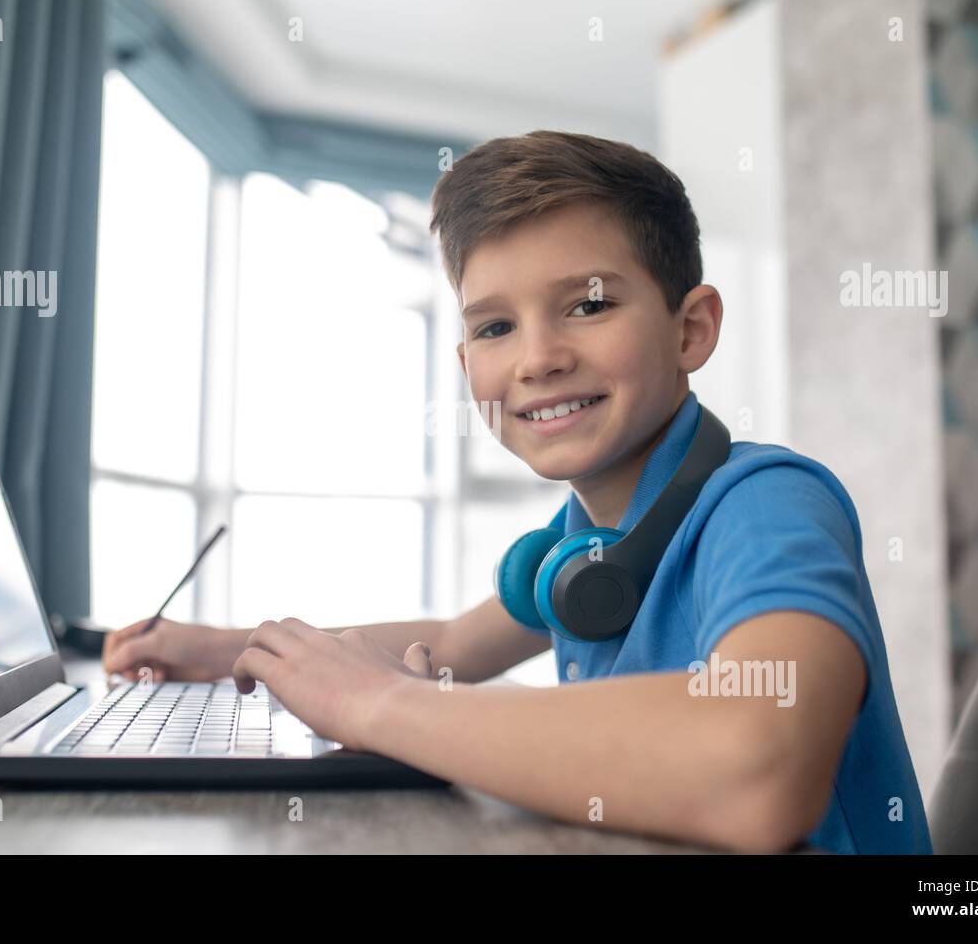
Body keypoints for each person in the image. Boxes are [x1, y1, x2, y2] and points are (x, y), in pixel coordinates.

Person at [103, 130, 932, 855]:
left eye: (589, 305)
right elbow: (456, 642)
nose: (537, 359)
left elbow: (761, 764)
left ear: (691, 329)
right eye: (495, 326)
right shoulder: (586, 539)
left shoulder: (764, 504)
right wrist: (226, 652)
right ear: (469, 367)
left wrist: (388, 708)